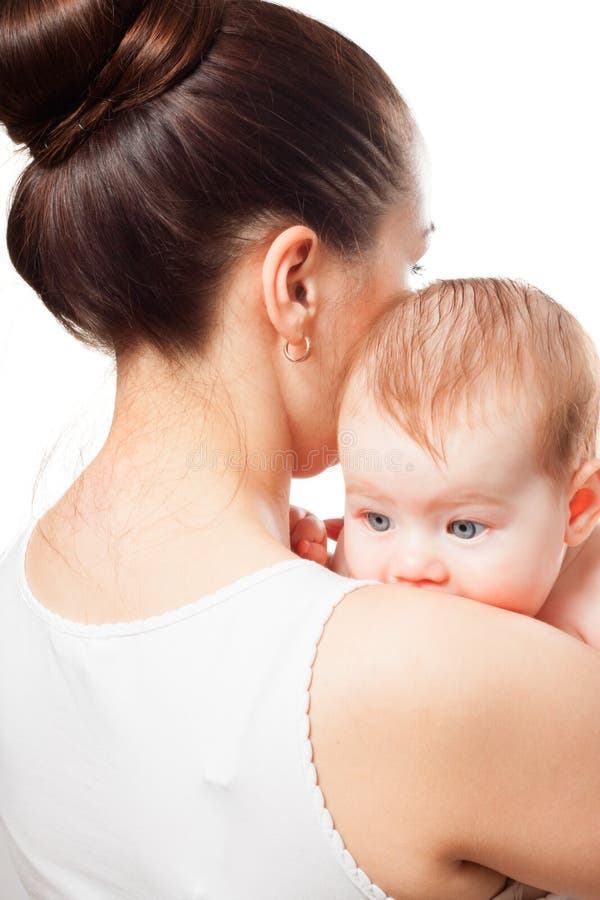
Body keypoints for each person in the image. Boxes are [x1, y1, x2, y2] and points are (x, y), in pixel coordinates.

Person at [0, 2, 599, 899]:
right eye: (413, 269)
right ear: (296, 284)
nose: (417, 317)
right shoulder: (436, 672)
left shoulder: (23, 590)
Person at [291, 276, 600, 649]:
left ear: (576, 508)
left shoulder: (588, 615)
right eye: (378, 520)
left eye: (465, 528)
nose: (411, 567)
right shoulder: (371, 568)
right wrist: (316, 569)